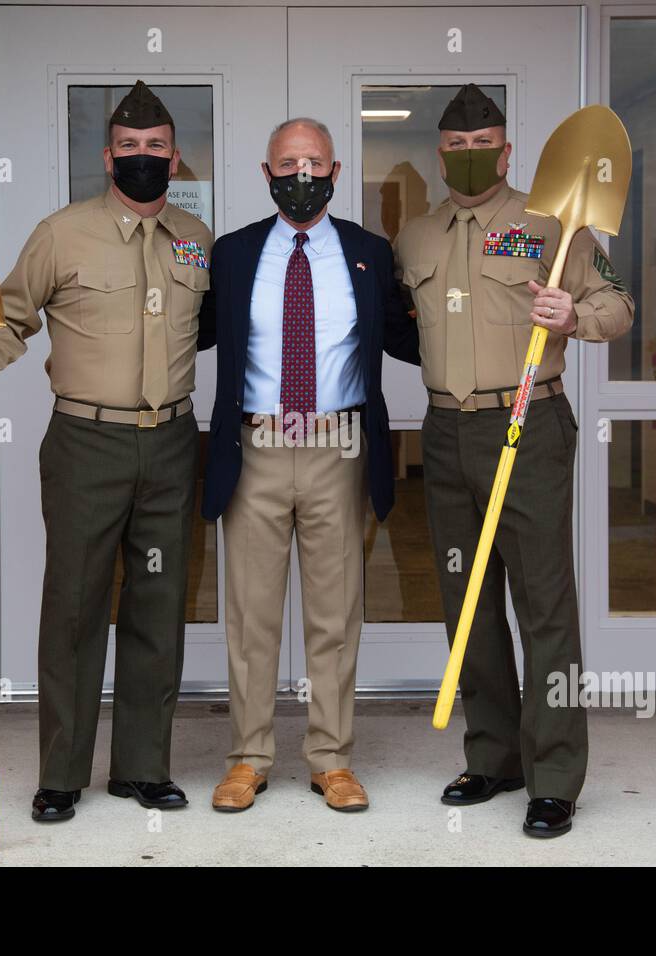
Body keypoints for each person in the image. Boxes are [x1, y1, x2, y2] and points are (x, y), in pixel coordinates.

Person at [0, 81, 213, 822]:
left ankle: (143, 767)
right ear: (108, 157)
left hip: (173, 444)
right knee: (75, 604)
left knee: (160, 606)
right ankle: (61, 772)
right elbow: (9, 318)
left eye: (157, 147)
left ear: (175, 157)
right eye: (130, 148)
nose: (144, 158)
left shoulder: (196, 238)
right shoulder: (61, 233)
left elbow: (211, 324)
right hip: (87, 443)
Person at [393, 84, 634, 837]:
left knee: (544, 604)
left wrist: (576, 314)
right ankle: (493, 756)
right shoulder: (417, 237)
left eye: (484, 147)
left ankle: (555, 774)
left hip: (527, 424)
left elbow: (619, 307)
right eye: (456, 149)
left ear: (507, 151)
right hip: (445, 430)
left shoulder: (553, 225)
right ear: (442, 155)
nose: (470, 159)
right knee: (468, 602)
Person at [200, 118, 420, 812]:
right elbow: (184, 329)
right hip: (256, 446)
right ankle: (247, 759)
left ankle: (331, 758)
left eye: (314, 162)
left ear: (335, 171)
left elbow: (414, 335)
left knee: (335, 614)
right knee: (250, 615)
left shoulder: (368, 252)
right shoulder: (232, 255)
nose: (302, 174)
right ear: (266, 174)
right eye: (288, 163)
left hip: (338, 448)